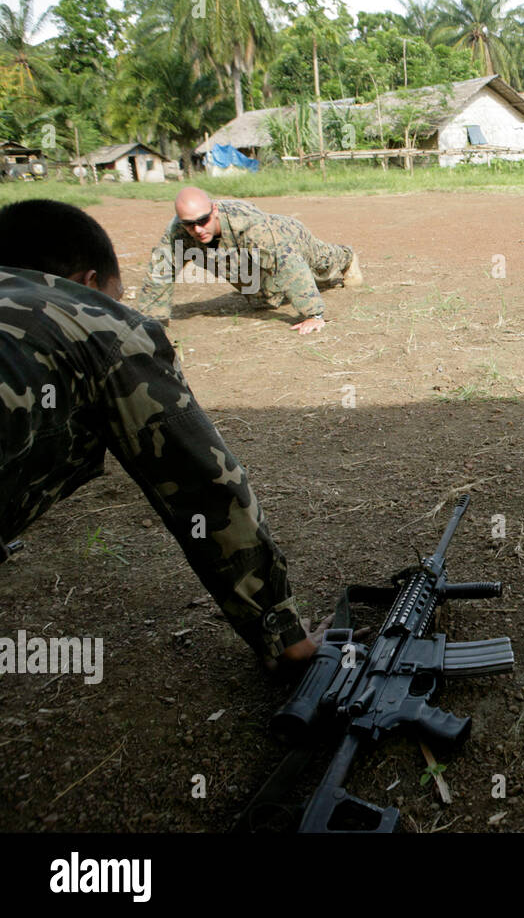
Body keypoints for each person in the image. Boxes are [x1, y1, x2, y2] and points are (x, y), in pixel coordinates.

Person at [0, 199, 317, 671]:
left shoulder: (257, 229)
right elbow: (203, 484)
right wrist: (284, 635)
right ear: (89, 284)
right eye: (114, 295)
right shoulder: (96, 322)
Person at [138, 187, 362, 334]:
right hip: (241, 254)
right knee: (262, 300)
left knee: (321, 263)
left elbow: (287, 261)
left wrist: (313, 314)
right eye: (189, 224)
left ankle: (347, 257)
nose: (196, 229)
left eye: (203, 220)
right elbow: (160, 272)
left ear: (214, 210)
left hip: (287, 234)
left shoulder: (248, 223)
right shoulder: (177, 231)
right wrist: (152, 324)